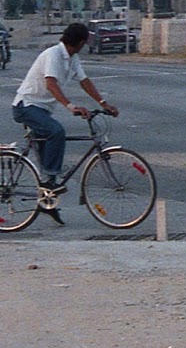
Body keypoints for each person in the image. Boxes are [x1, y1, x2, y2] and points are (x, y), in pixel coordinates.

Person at [11, 22, 119, 222]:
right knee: (56, 132)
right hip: (26, 106)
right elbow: (50, 83)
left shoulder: (73, 58)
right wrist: (71, 107)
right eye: (85, 42)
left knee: (48, 157)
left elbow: (85, 81)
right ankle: (51, 179)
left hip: (43, 110)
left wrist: (104, 103)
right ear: (79, 42)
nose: (85, 45)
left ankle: (47, 199)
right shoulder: (53, 54)